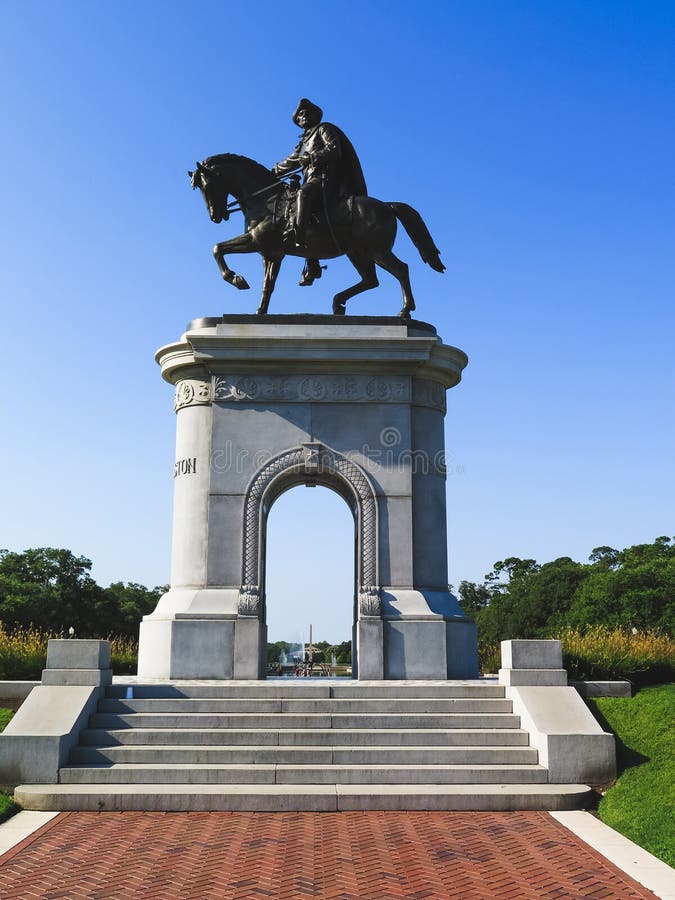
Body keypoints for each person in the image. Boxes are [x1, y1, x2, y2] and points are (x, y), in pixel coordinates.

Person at [273, 98, 367, 285]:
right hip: (311, 181)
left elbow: (335, 149)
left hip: (326, 180)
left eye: (306, 113)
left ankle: (298, 236)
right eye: (300, 115)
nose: (303, 116)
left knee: (303, 194)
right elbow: (290, 162)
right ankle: (312, 262)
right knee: (293, 207)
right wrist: (270, 172)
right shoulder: (303, 143)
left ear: (315, 115)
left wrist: (313, 157)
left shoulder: (324, 129)